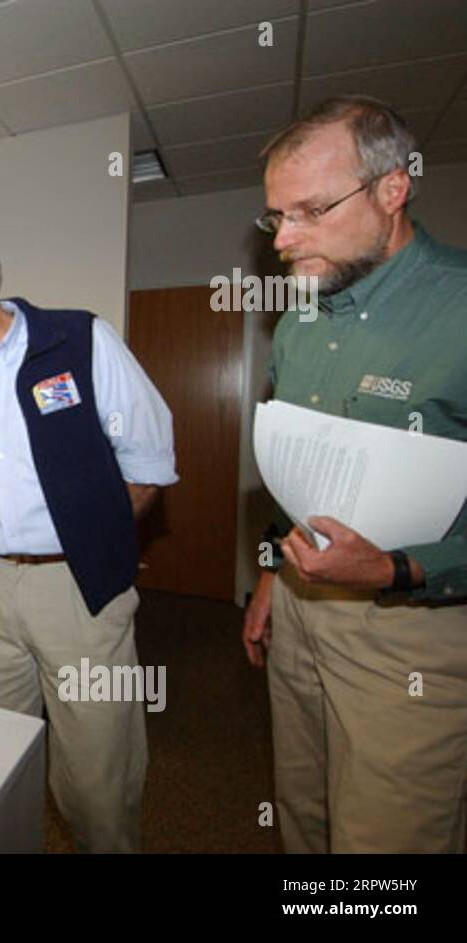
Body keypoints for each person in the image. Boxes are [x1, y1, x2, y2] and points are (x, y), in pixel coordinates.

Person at [0, 221, 177, 852]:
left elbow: (150, 464)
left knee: (97, 778)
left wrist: (95, 537)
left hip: (76, 590)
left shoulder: (79, 341)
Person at [241, 96, 467, 853]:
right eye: (278, 217)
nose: (286, 239)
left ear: (393, 189)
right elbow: (307, 470)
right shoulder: (301, 320)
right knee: (303, 812)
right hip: (303, 604)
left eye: (309, 210)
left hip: (410, 630)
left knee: (385, 843)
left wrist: (398, 565)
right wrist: (274, 570)